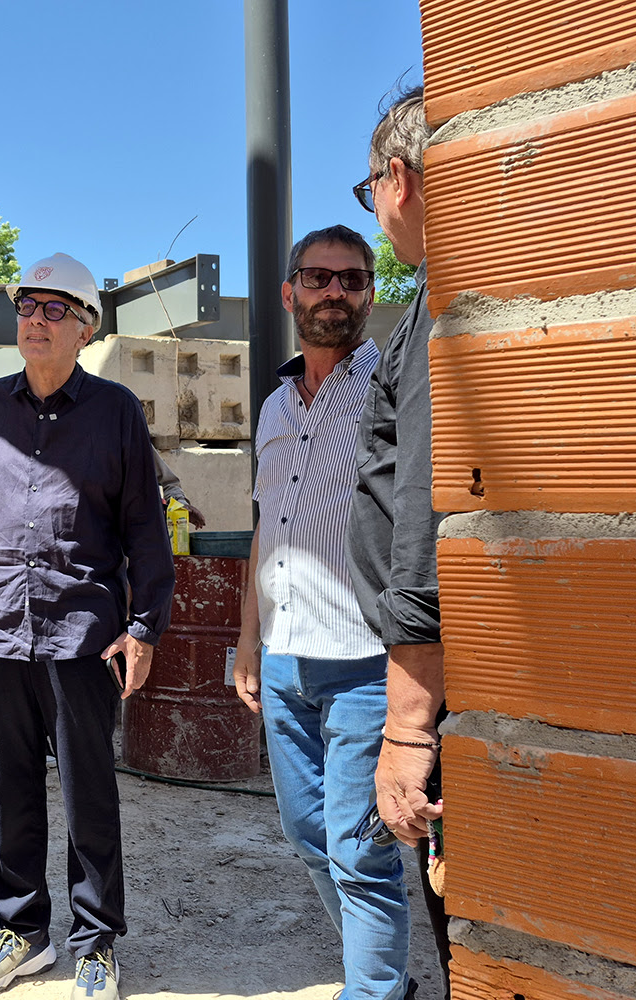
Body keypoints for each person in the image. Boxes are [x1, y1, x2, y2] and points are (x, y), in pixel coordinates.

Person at [0, 252, 175, 1000]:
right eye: (28, 305)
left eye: (56, 308)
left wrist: (146, 625)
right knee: (11, 789)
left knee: (90, 790)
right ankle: (24, 933)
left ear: (86, 327)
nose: (36, 318)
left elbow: (144, 529)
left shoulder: (116, 412)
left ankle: (95, 942)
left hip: (81, 635)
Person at [234, 225, 414, 1000]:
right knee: (310, 838)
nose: (333, 292)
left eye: (350, 279)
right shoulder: (275, 405)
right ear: (290, 293)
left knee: (360, 851)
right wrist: (247, 640)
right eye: (317, 278)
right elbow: (265, 529)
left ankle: (372, 993)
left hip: (366, 662)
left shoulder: (395, 386)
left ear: (371, 293)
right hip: (283, 661)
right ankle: (382, 979)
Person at [347, 85, 453, 993]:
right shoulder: (430, 308)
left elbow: (418, 519)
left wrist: (408, 729)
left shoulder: (442, 313)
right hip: (459, 674)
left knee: (464, 904)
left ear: (396, 179)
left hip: (447, 689)